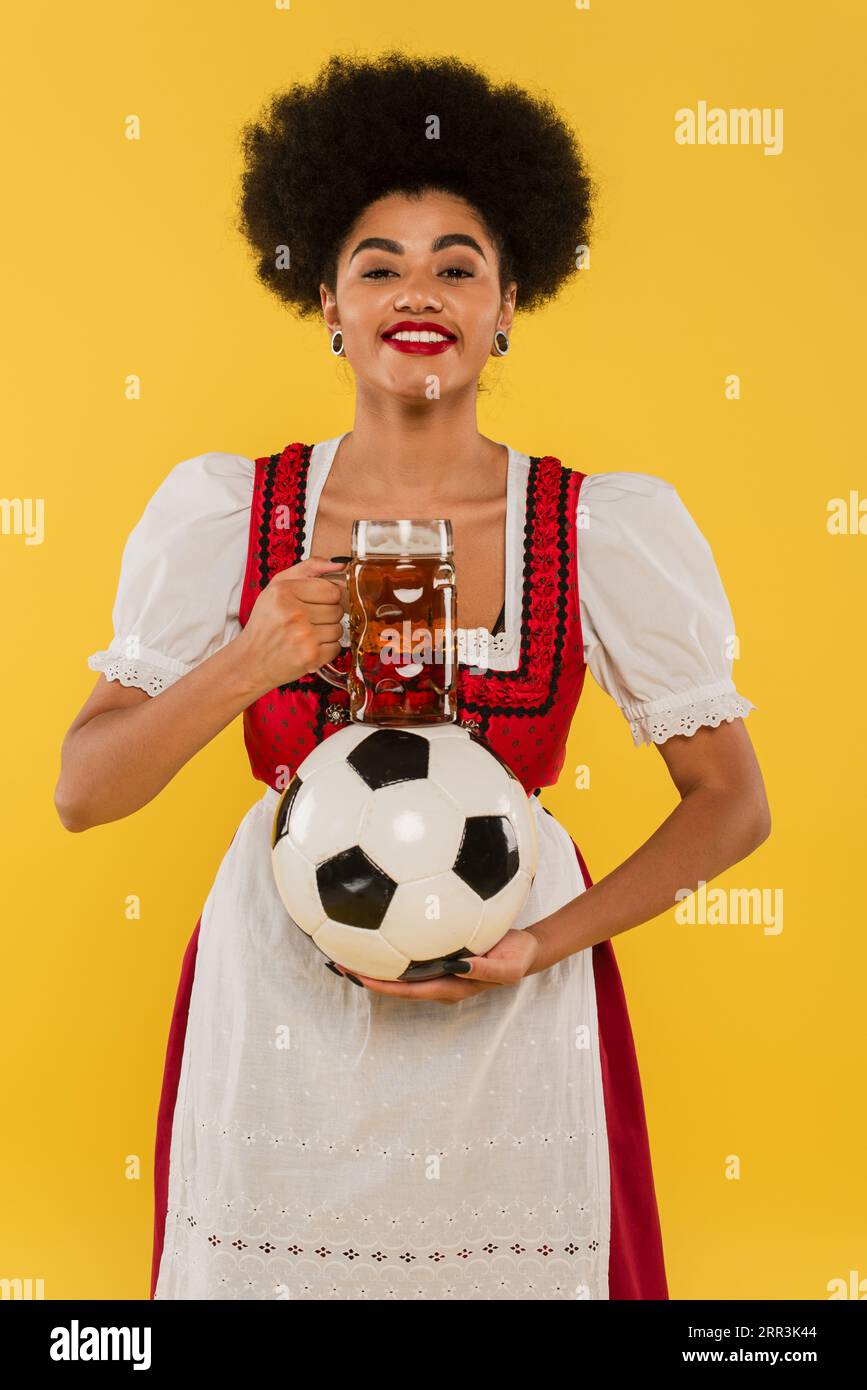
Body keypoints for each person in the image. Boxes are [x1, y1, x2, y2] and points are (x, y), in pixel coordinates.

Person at [55, 52, 769, 1301]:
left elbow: (732, 799)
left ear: (509, 306)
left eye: (458, 264)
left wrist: (546, 939)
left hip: (515, 1020)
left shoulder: (600, 525)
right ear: (326, 301)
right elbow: (85, 792)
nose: (416, 292)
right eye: (378, 264)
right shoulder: (232, 509)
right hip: (276, 1004)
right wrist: (250, 660)